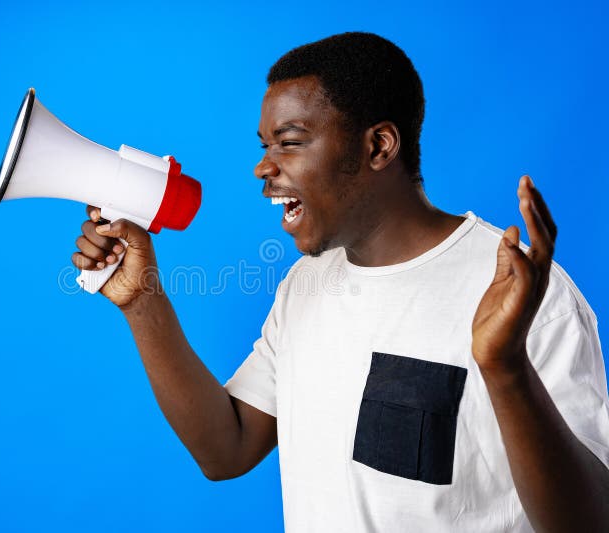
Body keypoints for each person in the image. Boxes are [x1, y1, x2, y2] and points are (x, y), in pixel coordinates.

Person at [71, 32, 609, 532]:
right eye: (263, 145)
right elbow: (226, 449)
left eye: (289, 142)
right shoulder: (304, 284)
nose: (264, 168)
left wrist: (506, 366)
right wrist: (143, 302)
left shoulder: (523, 296)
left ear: (378, 147)